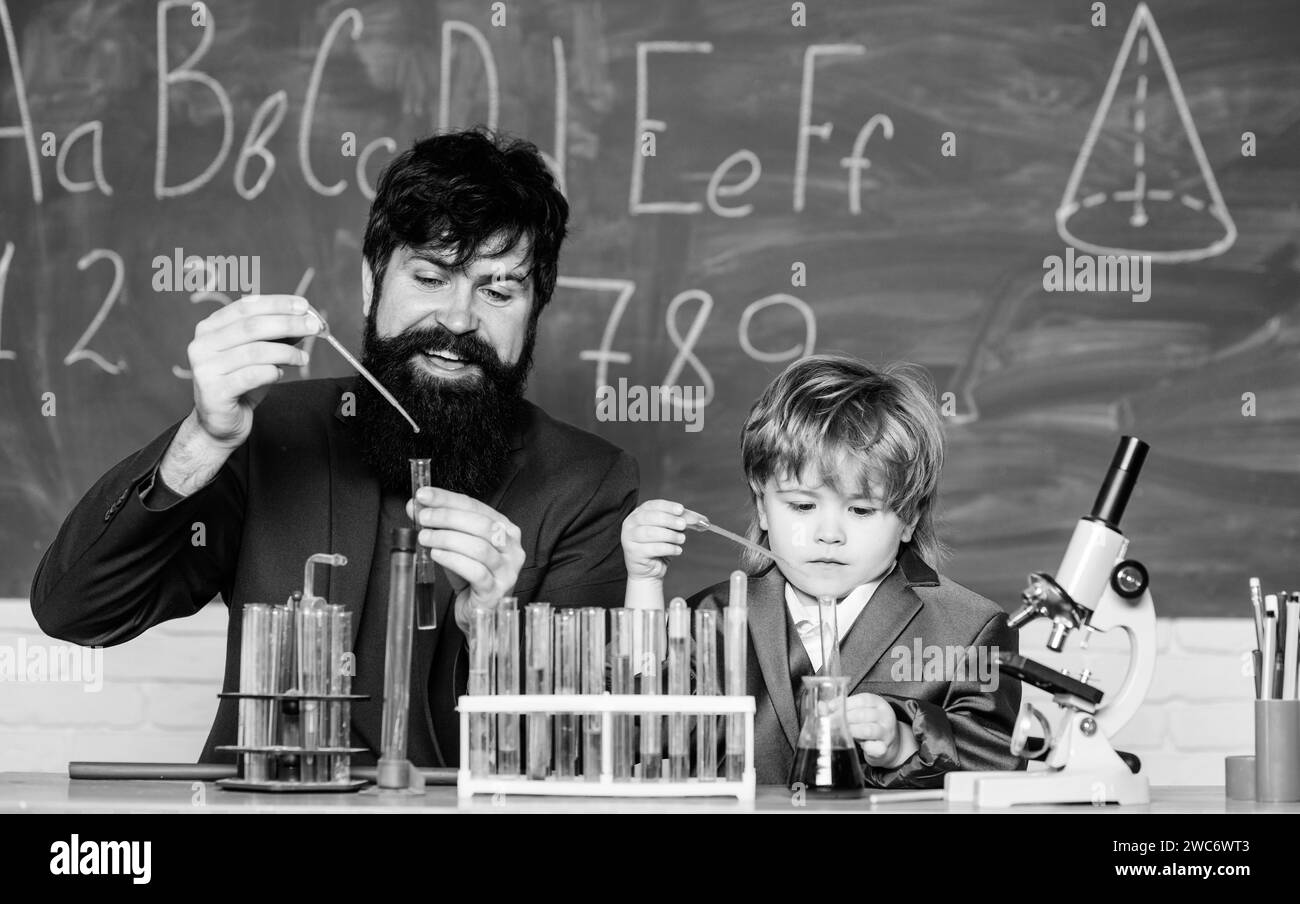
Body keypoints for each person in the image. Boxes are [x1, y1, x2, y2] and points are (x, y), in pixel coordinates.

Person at [31, 129, 638, 768]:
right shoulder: (269, 429)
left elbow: (575, 763)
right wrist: (200, 442)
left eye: (497, 290)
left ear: (534, 311)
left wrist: (497, 636)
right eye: (431, 276)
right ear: (372, 287)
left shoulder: (588, 483)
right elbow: (77, 611)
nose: (459, 320)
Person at [621, 354, 1023, 787]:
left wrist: (903, 741)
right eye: (802, 505)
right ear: (762, 505)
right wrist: (644, 583)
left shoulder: (968, 629)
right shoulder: (713, 619)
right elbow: (647, 730)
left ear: (908, 517)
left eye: (862, 510)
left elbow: (997, 758)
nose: (829, 534)